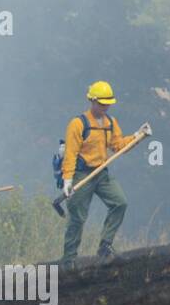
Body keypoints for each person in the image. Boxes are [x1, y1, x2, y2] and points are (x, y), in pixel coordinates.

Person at [59, 80, 152, 267]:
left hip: (101, 173)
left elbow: (118, 146)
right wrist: (67, 179)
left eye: (108, 103)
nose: (105, 107)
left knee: (120, 202)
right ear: (92, 101)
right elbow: (70, 153)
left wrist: (137, 137)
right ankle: (68, 260)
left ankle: (105, 245)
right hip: (81, 175)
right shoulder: (78, 124)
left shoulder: (110, 122)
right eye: (102, 103)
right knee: (77, 218)